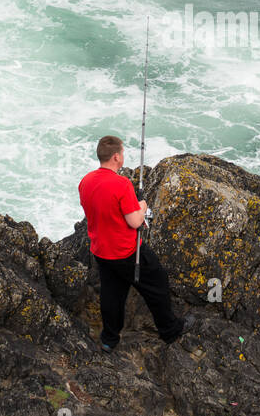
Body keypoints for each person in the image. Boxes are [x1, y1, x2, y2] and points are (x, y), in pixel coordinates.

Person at [78, 135, 189, 351]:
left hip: (101, 251)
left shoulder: (86, 181)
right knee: (157, 283)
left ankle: (109, 339)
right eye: (122, 154)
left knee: (111, 295)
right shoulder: (122, 184)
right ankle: (170, 330)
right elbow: (135, 221)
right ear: (117, 157)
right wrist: (143, 205)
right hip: (126, 252)